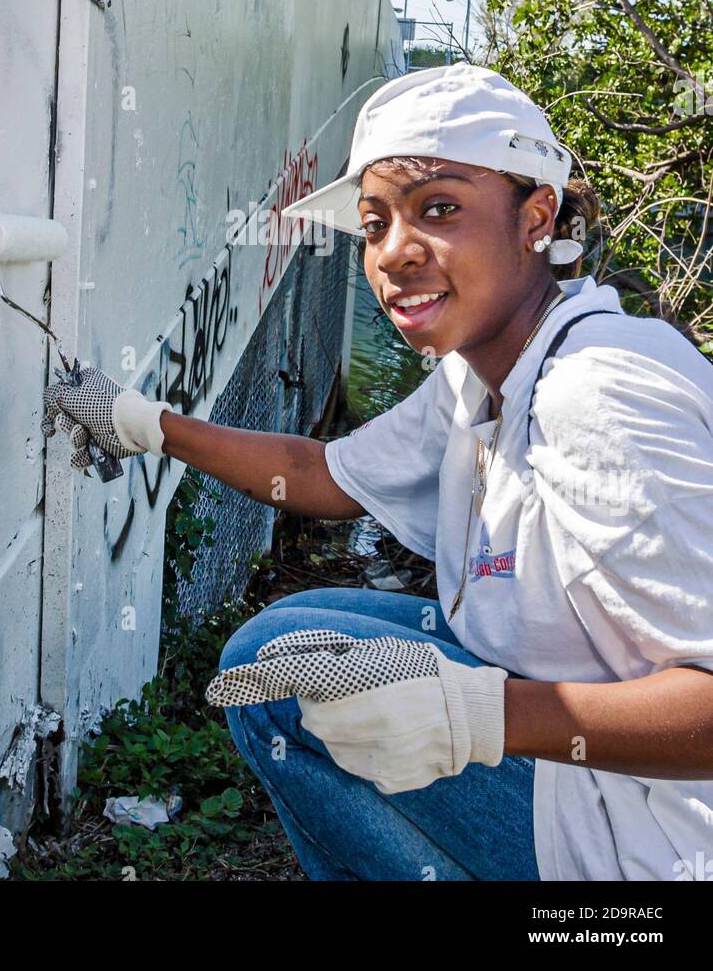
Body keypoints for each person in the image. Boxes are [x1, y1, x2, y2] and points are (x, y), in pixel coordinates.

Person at [41, 63, 713, 882]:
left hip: (645, 844)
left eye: (439, 209)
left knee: (279, 673)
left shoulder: (596, 393)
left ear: (537, 216)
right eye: (373, 224)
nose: (395, 254)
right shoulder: (489, 370)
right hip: (593, 788)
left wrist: (476, 716)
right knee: (298, 639)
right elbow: (323, 474)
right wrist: (142, 424)